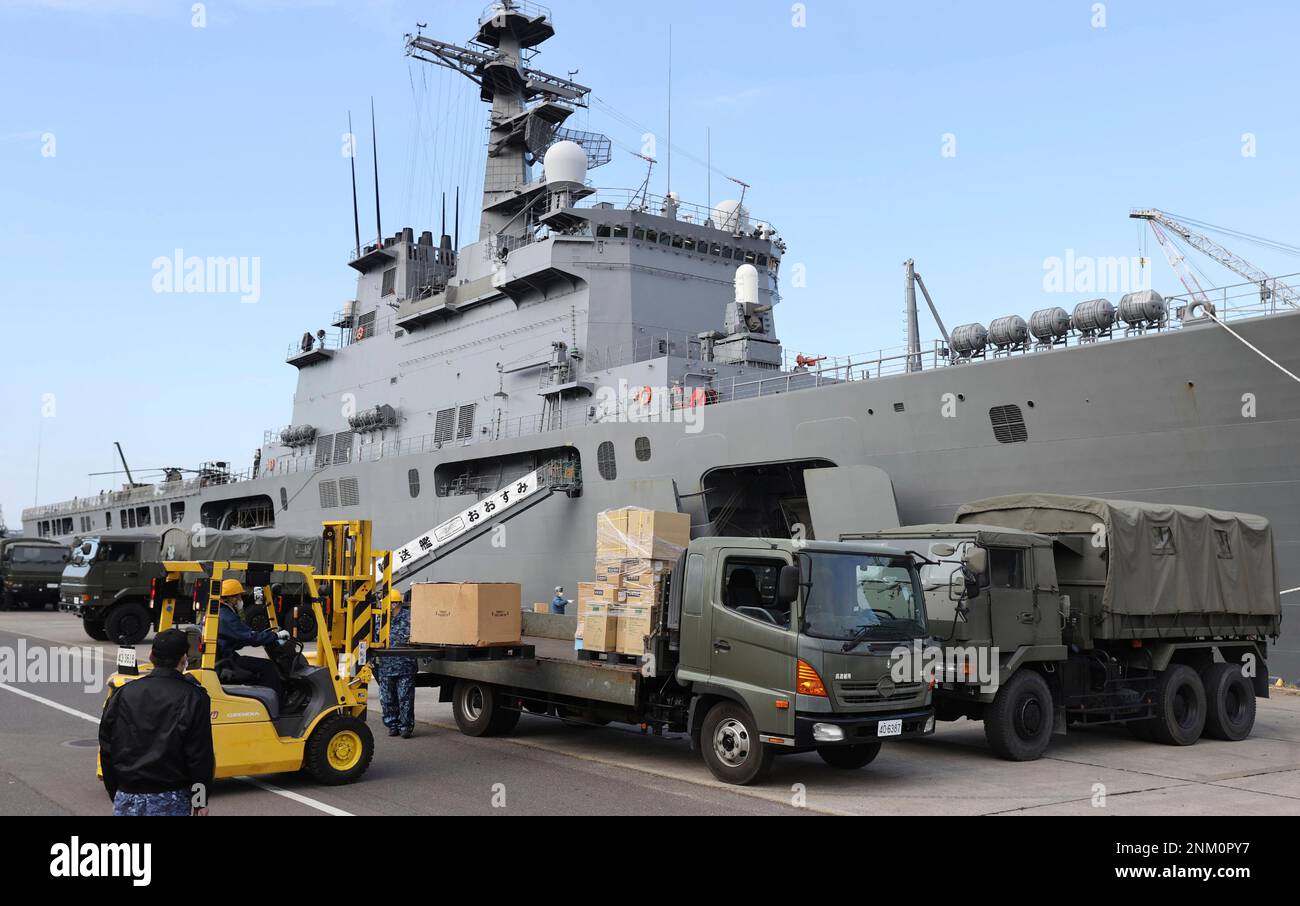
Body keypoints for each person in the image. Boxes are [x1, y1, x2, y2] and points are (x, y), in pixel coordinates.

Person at [98, 628, 215, 816]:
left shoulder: (124, 693)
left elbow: (107, 746)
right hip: (171, 797)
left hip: (127, 794)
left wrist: (115, 790)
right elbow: (199, 755)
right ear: (184, 659)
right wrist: (200, 801)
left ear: (151, 656)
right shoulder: (194, 697)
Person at [215, 579, 288, 701]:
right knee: (267, 666)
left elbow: (241, 638)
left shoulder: (220, 613)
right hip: (227, 661)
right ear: (231, 599)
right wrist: (277, 636)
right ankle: (278, 702)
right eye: (238, 596)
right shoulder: (227, 617)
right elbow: (249, 636)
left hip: (224, 657)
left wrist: (258, 638)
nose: (240, 600)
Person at [374, 590, 417, 738]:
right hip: (386, 667)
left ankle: (406, 727)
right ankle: (392, 725)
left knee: (405, 699)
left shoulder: (410, 619)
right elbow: (374, 639)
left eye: (384, 602)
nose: (381, 605)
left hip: (405, 666)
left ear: (395, 603)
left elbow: (420, 639)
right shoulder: (380, 619)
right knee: (387, 699)